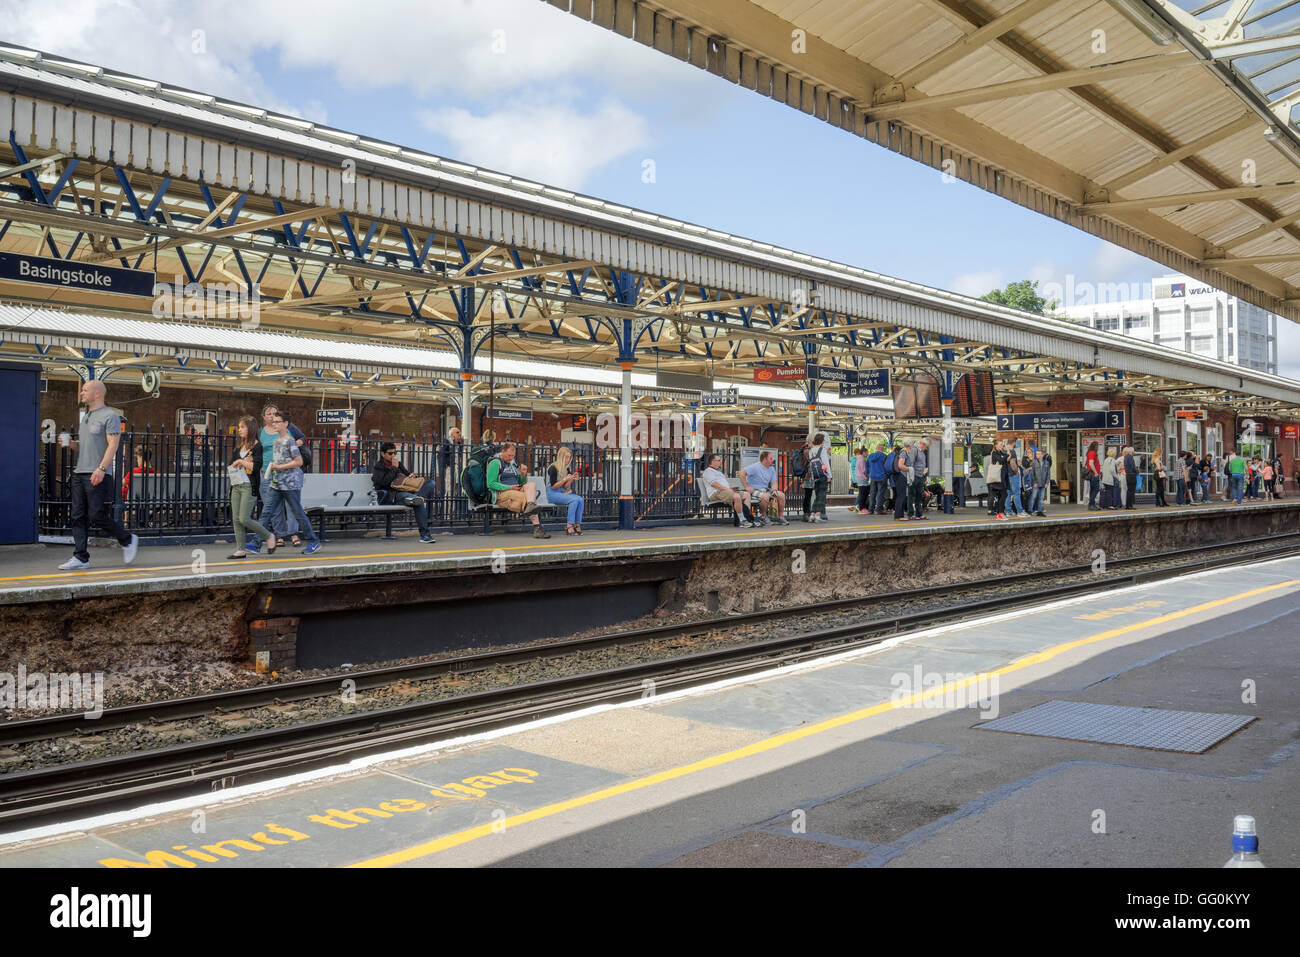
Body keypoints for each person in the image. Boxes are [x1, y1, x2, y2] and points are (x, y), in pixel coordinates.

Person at [59, 381, 139, 570]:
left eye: (85, 390)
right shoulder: (87, 417)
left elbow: (113, 444)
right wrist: (71, 444)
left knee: (96, 515)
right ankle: (81, 557)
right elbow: (83, 447)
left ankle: (127, 540)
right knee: (77, 516)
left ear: (97, 394)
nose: (81, 393)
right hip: (80, 472)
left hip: (97, 473)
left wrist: (101, 469)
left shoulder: (110, 416)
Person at [262, 412, 321, 554]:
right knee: (266, 512)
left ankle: (314, 541)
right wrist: (274, 467)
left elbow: (298, 462)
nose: (274, 423)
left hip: (290, 483)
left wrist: (278, 467)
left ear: (286, 424)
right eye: (273, 421)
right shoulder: (276, 441)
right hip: (277, 483)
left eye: (277, 421)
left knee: (297, 512)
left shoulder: (290, 440)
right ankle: (256, 543)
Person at [227, 415, 277, 559]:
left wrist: (242, 462)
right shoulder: (239, 447)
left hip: (249, 486)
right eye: (239, 427)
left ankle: (268, 536)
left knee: (244, 518)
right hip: (236, 485)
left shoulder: (257, 446)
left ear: (251, 428)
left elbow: (257, 466)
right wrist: (240, 462)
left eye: (242, 427)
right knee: (236, 519)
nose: (239, 430)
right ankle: (240, 549)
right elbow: (231, 465)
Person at [372, 442, 437, 544]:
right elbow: (383, 483)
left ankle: (415, 498)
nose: (393, 455)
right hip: (393, 495)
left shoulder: (399, 464)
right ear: (383, 454)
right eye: (390, 453)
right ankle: (425, 535)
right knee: (418, 502)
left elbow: (406, 476)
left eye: (395, 453)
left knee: (431, 483)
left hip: (406, 491)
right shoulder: (378, 467)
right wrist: (393, 468)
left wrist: (411, 476)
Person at [259, 404, 306, 546]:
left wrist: (295, 445)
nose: (272, 416)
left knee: (291, 504)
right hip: (268, 472)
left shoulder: (288, 428)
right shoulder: (260, 432)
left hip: (288, 472)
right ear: (264, 417)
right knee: (272, 506)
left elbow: (302, 438)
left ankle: (293, 533)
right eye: (269, 414)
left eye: (274, 413)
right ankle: (280, 534)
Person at [486, 442, 550, 538]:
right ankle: (538, 528)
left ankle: (531, 506)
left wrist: (523, 474)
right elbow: (491, 484)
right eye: (509, 455)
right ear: (502, 451)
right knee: (528, 499)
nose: (511, 458)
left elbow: (522, 482)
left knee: (531, 485)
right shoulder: (495, 463)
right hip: (502, 493)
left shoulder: (512, 463)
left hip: (515, 489)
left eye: (513, 456)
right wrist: (510, 487)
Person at [740, 449, 789, 526]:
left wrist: (774, 490)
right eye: (771, 458)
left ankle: (780, 517)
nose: (772, 460)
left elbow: (774, 482)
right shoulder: (755, 466)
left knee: (781, 495)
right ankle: (763, 517)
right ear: (765, 459)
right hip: (754, 490)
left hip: (765, 489)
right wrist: (746, 486)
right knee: (765, 496)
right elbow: (741, 473)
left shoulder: (771, 468)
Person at [702, 452, 750, 528]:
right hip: (715, 493)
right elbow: (714, 484)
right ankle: (742, 520)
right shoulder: (708, 471)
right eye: (719, 460)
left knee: (747, 495)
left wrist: (730, 488)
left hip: (724, 491)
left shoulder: (719, 472)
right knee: (736, 496)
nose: (721, 462)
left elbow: (723, 486)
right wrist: (728, 489)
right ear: (713, 462)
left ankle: (748, 518)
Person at [546, 446, 586, 535]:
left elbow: (565, 487)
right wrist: (565, 479)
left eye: (569, 457)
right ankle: (569, 525)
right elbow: (553, 487)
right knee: (574, 500)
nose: (568, 459)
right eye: (566, 457)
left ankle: (577, 524)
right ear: (561, 457)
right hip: (551, 493)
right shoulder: (553, 468)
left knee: (580, 499)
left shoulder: (567, 468)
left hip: (560, 492)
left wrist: (571, 478)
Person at [806, 433, 831, 522]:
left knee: (817, 495)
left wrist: (813, 476)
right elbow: (826, 464)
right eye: (823, 440)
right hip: (822, 475)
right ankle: (817, 515)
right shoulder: (822, 450)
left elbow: (811, 464)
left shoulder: (811, 451)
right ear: (821, 441)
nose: (824, 442)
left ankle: (812, 514)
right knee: (822, 496)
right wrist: (829, 475)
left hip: (815, 476)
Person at [908, 437, 930, 520]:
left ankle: (919, 513)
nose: (926, 448)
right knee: (911, 495)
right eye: (926, 446)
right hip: (914, 476)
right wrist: (911, 476)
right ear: (922, 444)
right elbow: (911, 463)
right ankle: (911, 514)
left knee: (919, 495)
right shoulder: (915, 450)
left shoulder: (922, 452)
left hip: (920, 476)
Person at [988, 439, 1008, 519]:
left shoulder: (1001, 453)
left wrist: (1007, 453)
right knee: (1003, 495)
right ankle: (1000, 513)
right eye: (1000, 445)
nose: (1001, 446)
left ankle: (999, 513)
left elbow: (1006, 460)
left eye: (1002, 445)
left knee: (1002, 495)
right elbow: (1001, 460)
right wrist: (1007, 455)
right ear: (995, 445)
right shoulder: (994, 453)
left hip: (1002, 478)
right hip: (997, 478)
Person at [1028, 447, 1051, 517]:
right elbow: (1032, 474)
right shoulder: (1034, 462)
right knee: (1033, 497)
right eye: (1036, 454)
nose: (1037, 455)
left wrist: (1047, 482)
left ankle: (1039, 511)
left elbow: (1048, 474)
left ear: (1042, 455)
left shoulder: (1047, 463)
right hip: (1036, 484)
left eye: (1038, 454)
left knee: (1041, 498)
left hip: (1043, 484)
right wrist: (1034, 482)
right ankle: (1030, 510)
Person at [867, 442, 889, 514]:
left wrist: (869, 474)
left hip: (872, 477)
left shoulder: (870, 456)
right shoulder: (884, 456)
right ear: (882, 449)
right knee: (880, 493)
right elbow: (887, 467)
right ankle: (879, 509)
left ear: (876, 449)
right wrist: (887, 475)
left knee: (872, 493)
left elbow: (867, 466)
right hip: (882, 477)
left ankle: (871, 509)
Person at [1004, 449, 1025, 518]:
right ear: (1015, 442)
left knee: (1008, 493)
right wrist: (1016, 472)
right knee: (1017, 493)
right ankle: (1019, 511)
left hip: (1006, 475)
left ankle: (1008, 511)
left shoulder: (1004, 451)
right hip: (1013, 475)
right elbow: (1012, 463)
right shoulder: (1012, 451)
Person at [851, 448, 869, 513]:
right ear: (863, 452)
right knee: (863, 494)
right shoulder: (861, 460)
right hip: (862, 478)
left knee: (862, 493)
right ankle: (861, 508)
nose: (867, 454)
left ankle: (860, 508)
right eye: (867, 452)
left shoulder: (858, 459)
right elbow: (863, 470)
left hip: (858, 477)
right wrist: (866, 476)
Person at [1085, 441, 1102, 510]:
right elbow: (1091, 463)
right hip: (1093, 475)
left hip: (1093, 474)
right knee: (1096, 489)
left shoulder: (1091, 453)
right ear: (1095, 447)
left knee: (1092, 490)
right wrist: (1096, 473)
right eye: (1098, 446)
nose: (1098, 448)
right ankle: (1091, 505)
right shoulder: (1092, 453)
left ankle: (1092, 505)